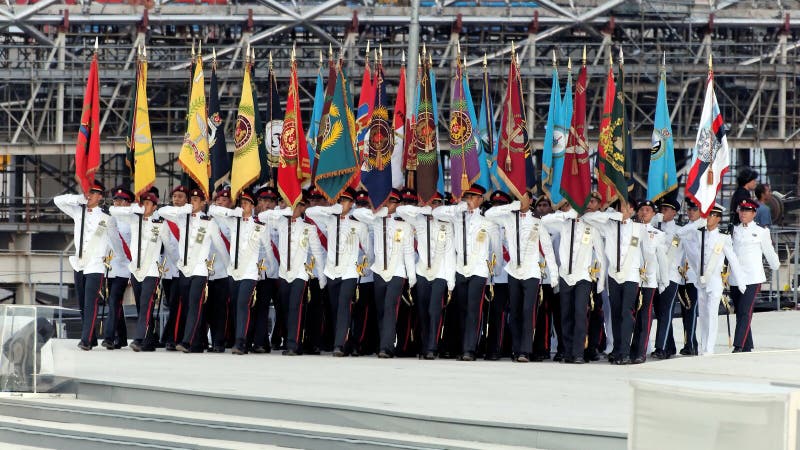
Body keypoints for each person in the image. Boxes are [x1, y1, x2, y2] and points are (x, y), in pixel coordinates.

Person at [484, 190, 558, 362]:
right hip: (513, 271)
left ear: (530, 200)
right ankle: (516, 349)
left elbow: (547, 249)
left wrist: (553, 274)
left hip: (531, 271)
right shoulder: (509, 218)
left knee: (528, 311)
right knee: (515, 311)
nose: (520, 201)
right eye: (518, 198)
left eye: (523, 198)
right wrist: (512, 205)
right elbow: (488, 214)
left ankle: (525, 350)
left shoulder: (537, 222)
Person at [433, 184, 499, 361]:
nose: (469, 201)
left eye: (473, 198)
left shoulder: (487, 222)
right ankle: (462, 347)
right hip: (460, 268)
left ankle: (470, 349)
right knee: (461, 309)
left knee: (473, 310)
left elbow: (497, 249)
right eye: (467, 197)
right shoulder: (457, 217)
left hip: (478, 269)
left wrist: (495, 269)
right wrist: (458, 207)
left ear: (480, 200)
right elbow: (436, 213)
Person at [258, 190, 327, 356]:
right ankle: (290, 340)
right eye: (291, 205)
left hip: (300, 273)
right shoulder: (281, 222)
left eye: (297, 206)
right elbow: (262, 217)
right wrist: (286, 211)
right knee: (286, 309)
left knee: (296, 307)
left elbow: (317, 253)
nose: (292, 209)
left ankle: (293, 344)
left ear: (303, 208)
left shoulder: (308, 228)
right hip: (284, 273)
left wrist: (322, 277)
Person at [158, 188, 226, 353]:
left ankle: (187, 341)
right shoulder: (182, 217)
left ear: (203, 203)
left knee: (195, 305)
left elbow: (221, 247)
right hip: (184, 269)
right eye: (192, 200)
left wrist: (229, 266)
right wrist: (186, 208)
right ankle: (196, 342)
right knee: (188, 306)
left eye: (197, 200)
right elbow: (162, 211)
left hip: (200, 270)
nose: (194, 203)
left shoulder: (209, 222)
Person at [305, 187, 371, 357]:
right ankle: (345, 341)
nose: (343, 204)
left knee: (343, 305)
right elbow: (311, 212)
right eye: (340, 200)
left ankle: (339, 345)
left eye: (346, 201)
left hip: (350, 271)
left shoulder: (358, 224)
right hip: (332, 271)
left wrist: (362, 268)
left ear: (352, 203)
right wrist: (333, 208)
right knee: (335, 308)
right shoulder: (331, 219)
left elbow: (369, 251)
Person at [353, 189, 417, 359]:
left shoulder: (404, 225)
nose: (389, 205)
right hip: (379, 271)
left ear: (398, 205)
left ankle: (386, 347)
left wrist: (411, 276)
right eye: (387, 202)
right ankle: (383, 342)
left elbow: (409, 252)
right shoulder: (376, 219)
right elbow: (358, 213)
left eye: (392, 202)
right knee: (381, 309)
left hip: (397, 271)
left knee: (390, 307)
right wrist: (379, 211)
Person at [582, 200, 646, 365]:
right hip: (613, 275)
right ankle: (617, 351)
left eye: (626, 207)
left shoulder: (639, 228)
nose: (623, 211)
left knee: (626, 313)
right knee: (616, 314)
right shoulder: (609, 225)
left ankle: (625, 352)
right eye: (620, 208)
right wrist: (613, 215)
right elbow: (589, 217)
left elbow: (648, 253)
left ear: (632, 210)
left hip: (631, 275)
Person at [209, 189, 274, 355]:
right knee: (236, 306)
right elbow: (213, 210)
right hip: (234, 271)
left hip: (250, 272)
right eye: (241, 203)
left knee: (243, 305)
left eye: (246, 203)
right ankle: (241, 338)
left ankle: (240, 342)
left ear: (252, 206)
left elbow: (268, 249)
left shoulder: (259, 226)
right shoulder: (234, 221)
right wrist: (232, 211)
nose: (243, 205)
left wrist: (271, 269)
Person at [109, 190, 175, 352]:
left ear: (154, 207)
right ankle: (149, 339)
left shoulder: (160, 224)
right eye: (142, 203)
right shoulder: (134, 219)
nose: (144, 206)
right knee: (141, 306)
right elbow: (113, 210)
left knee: (146, 305)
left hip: (151, 270)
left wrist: (178, 263)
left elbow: (170, 247)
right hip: (136, 270)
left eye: (148, 204)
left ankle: (138, 339)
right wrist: (134, 208)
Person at [676, 204, 743, 355]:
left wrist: (740, 282)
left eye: (712, 216)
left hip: (714, 281)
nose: (708, 219)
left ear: (718, 218)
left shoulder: (723, 237)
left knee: (712, 315)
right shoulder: (698, 233)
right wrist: (696, 224)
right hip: (701, 281)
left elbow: (733, 259)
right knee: (703, 316)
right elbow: (680, 233)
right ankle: (703, 347)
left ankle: (709, 348)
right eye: (707, 215)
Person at [55, 180, 114, 351]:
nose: (90, 195)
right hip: (80, 263)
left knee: (90, 303)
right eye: (88, 192)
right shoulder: (78, 210)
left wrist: (121, 262)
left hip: (95, 264)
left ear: (100, 196)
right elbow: (58, 200)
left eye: (94, 193)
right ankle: (92, 337)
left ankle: (86, 340)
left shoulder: (106, 217)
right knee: (81, 303)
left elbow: (115, 241)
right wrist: (78, 197)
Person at [396, 191, 456, 360]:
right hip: (422, 271)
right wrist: (423, 210)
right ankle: (423, 345)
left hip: (441, 272)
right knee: (422, 311)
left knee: (434, 310)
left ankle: (432, 346)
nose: (433, 206)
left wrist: (450, 281)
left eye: (436, 203)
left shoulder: (447, 225)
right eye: (431, 203)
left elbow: (450, 254)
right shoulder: (419, 220)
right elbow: (401, 211)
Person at [729, 199, 780, 352]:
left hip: (752, 277)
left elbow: (769, 251)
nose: (743, 213)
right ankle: (747, 344)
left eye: (747, 211)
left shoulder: (761, 231)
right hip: (735, 278)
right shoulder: (733, 230)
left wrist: (775, 265)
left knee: (745, 311)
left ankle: (738, 346)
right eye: (741, 210)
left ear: (754, 213)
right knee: (739, 311)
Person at [629, 200, 666, 364]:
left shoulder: (658, 234)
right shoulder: (630, 229)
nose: (644, 212)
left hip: (649, 280)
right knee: (631, 316)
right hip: (632, 278)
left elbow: (662, 259)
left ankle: (640, 351)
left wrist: (663, 280)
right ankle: (630, 348)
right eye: (642, 209)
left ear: (653, 214)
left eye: (648, 210)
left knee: (645, 316)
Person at [650, 197, 682, 359]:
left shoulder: (677, 231)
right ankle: (670, 346)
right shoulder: (653, 227)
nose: (663, 212)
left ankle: (661, 347)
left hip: (670, 276)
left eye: (667, 210)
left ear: (674, 212)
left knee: (666, 312)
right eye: (662, 209)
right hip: (654, 276)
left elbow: (672, 254)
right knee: (659, 311)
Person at [102, 187, 134, 350]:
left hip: (125, 267)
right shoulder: (109, 219)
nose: (118, 203)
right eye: (116, 200)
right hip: (111, 266)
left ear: (129, 203)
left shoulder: (132, 220)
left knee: (114, 300)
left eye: (122, 200)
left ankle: (109, 337)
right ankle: (121, 338)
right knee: (115, 303)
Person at [252, 186, 281, 353]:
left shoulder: (280, 219)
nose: (267, 204)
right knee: (261, 307)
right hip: (262, 271)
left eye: (271, 201)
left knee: (282, 308)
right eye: (263, 200)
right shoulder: (253, 221)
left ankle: (277, 338)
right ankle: (261, 341)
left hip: (282, 271)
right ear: (258, 203)